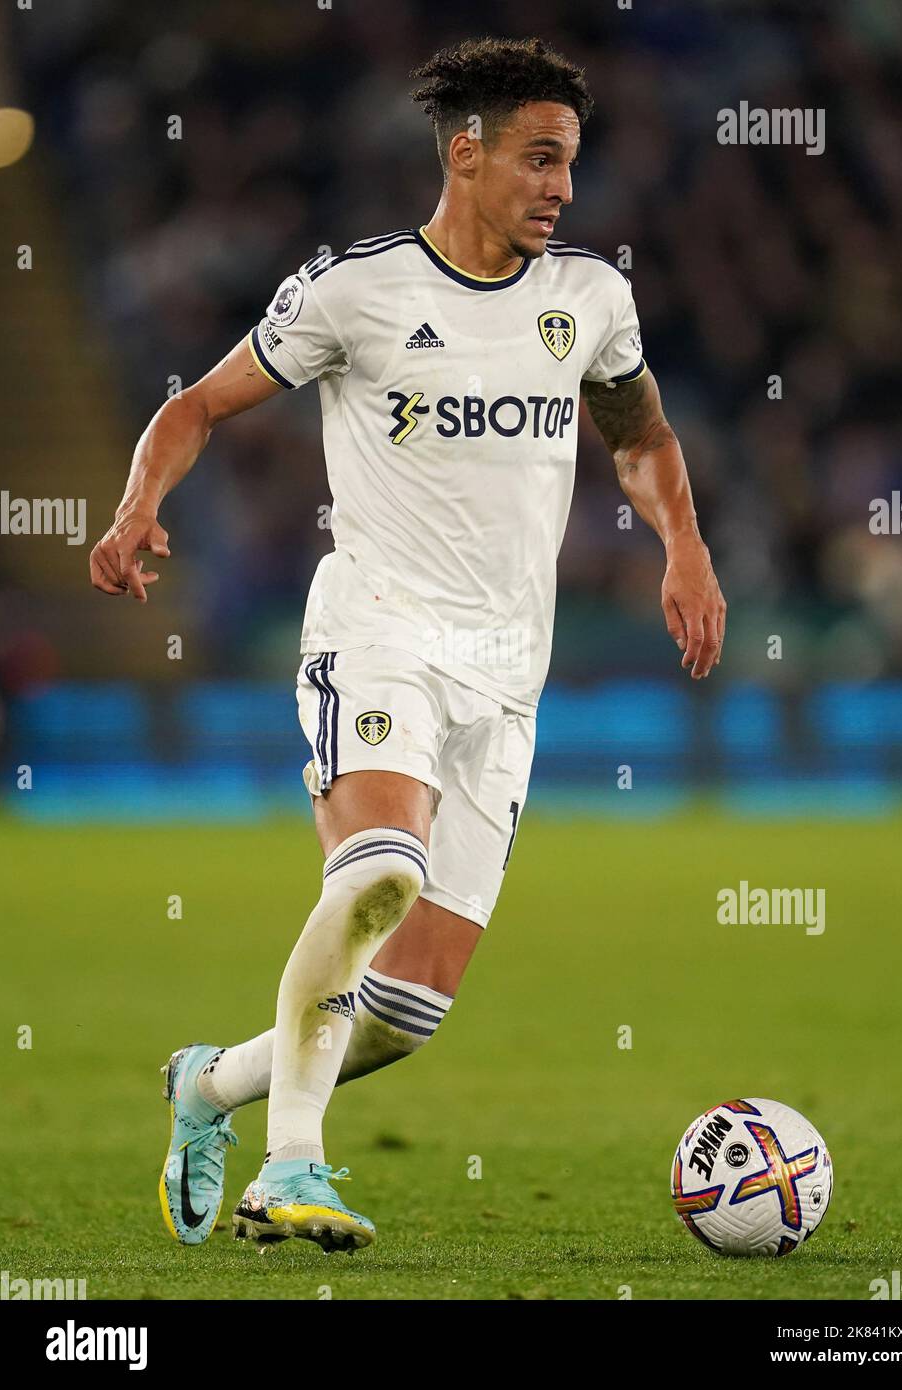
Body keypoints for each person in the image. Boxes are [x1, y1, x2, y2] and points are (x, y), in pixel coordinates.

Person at [90, 36, 726, 1254]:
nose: (562, 188)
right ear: (464, 152)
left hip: (509, 671)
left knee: (402, 1011)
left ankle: (207, 1084)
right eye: (539, 160)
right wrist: (136, 506)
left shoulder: (588, 298)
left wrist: (681, 545)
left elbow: (638, 435)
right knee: (379, 871)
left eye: (571, 164)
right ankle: (293, 1167)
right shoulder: (355, 289)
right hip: (376, 633)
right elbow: (196, 405)